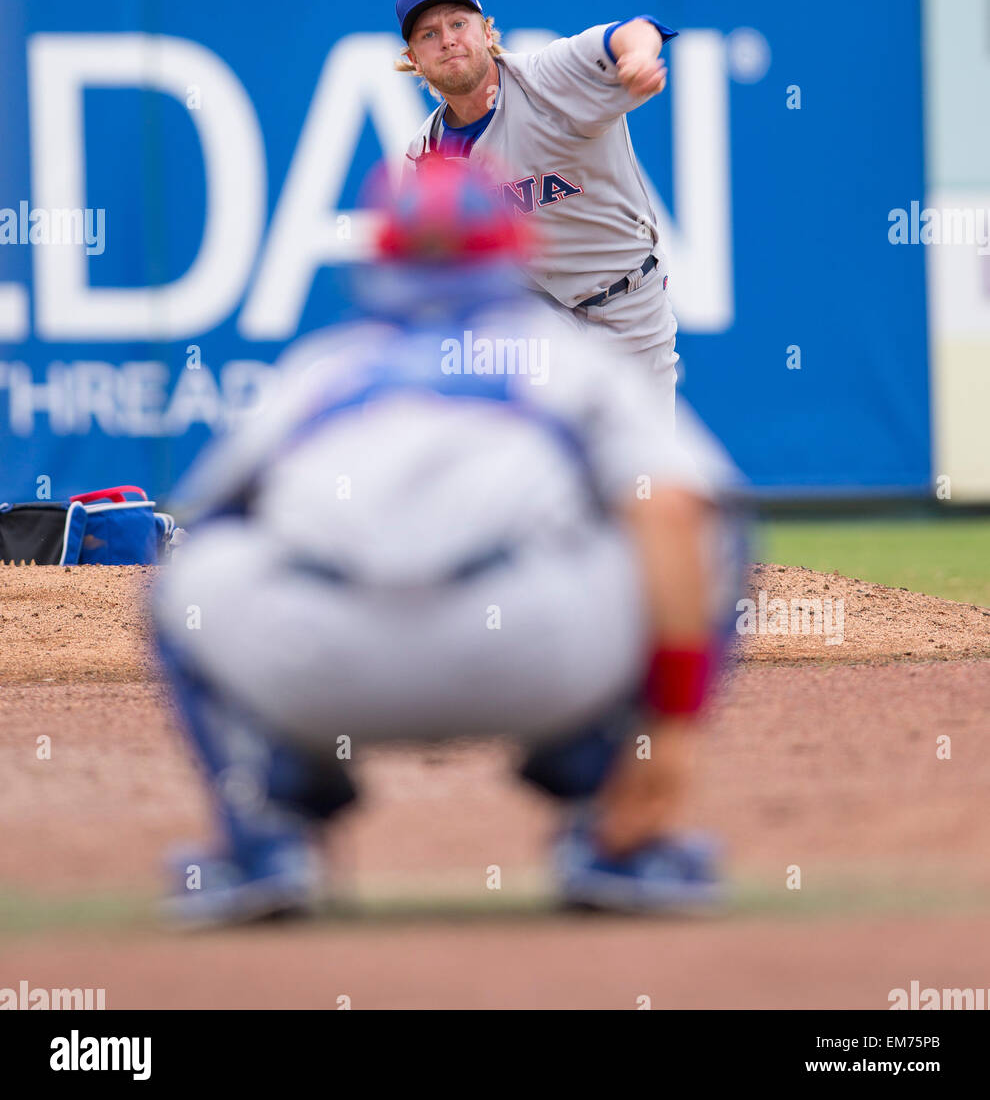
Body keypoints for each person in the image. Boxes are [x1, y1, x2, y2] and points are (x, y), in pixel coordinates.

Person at [152, 155, 746, 927]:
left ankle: (264, 834)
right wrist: (672, 727)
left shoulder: (322, 367)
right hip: (534, 656)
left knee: (190, 575)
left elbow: (214, 519)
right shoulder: (565, 353)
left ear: (380, 262)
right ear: (514, 250)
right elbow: (673, 509)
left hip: (318, 666)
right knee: (711, 533)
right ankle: (618, 835)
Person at [395, 0, 680, 425]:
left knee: (640, 473)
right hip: (538, 320)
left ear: (487, 32)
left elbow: (635, 30)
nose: (447, 40)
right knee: (532, 460)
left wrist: (640, 58)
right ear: (414, 60)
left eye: (458, 24)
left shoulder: (547, 78)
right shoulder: (426, 157)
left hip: (628, 301)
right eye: (429, 35)